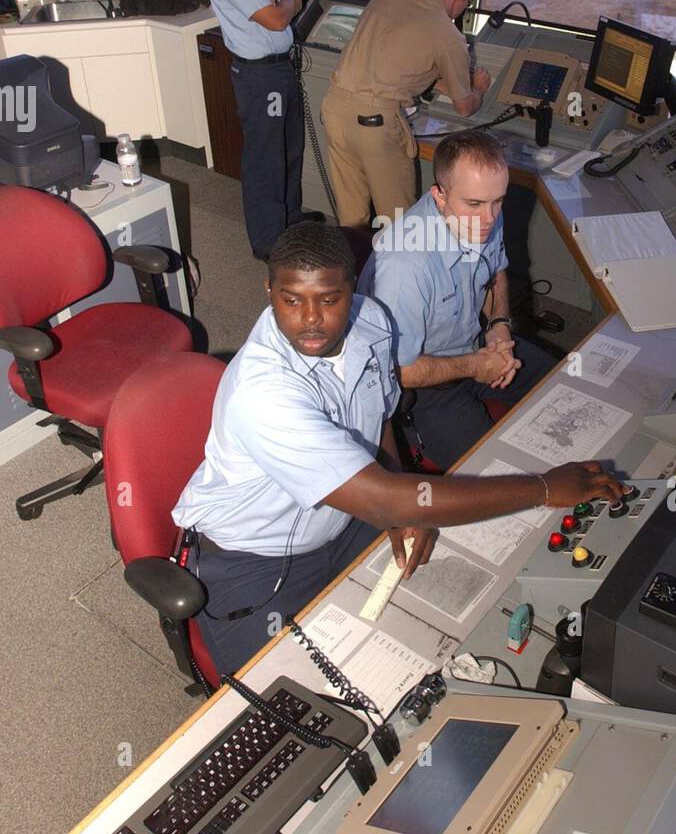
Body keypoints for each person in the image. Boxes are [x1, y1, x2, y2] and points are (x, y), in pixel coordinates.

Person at [172, 224, 626, 675]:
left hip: (344, 519)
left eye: (329, 300)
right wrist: (544, 487)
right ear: (269, 290)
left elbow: (379, 414)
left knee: (445, 621)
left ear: (353, 289)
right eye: (291, 300)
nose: (311, 319)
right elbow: (384, 497)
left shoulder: (370, 320)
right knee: (296, 701)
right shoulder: (263, 392)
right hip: (254, 560)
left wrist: (402, 498)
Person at [359, 130, 557, 470]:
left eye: (499, 201)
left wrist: (499, 326)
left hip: (477, 346)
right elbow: (398, 370)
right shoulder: (406, 265)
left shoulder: (484, 209)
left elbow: (496, 272)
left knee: (568, 384)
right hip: (424, 385)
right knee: (494, 476)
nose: (490, 218)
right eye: (476, 204)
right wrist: (477, 366)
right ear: (439, 195)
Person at [320, 0, 491, 228]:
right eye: (466, 4)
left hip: (334, 108)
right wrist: (479, 88)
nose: (462, 10)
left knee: (351, 216)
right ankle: (394, 269)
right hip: (374, 124)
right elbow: (464, 107)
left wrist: (436, 78)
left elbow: (396, 65)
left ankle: (353, 267)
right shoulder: (448, 35)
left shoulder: (384, 0)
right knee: (398, 222)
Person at [206, 0, 318, 262]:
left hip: (281, 69)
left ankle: (291, 222)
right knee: (265, 159)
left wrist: (283, 4)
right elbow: (274, 18)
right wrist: (282, 7)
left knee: (289, 150)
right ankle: (270, 242)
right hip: (259, 75)